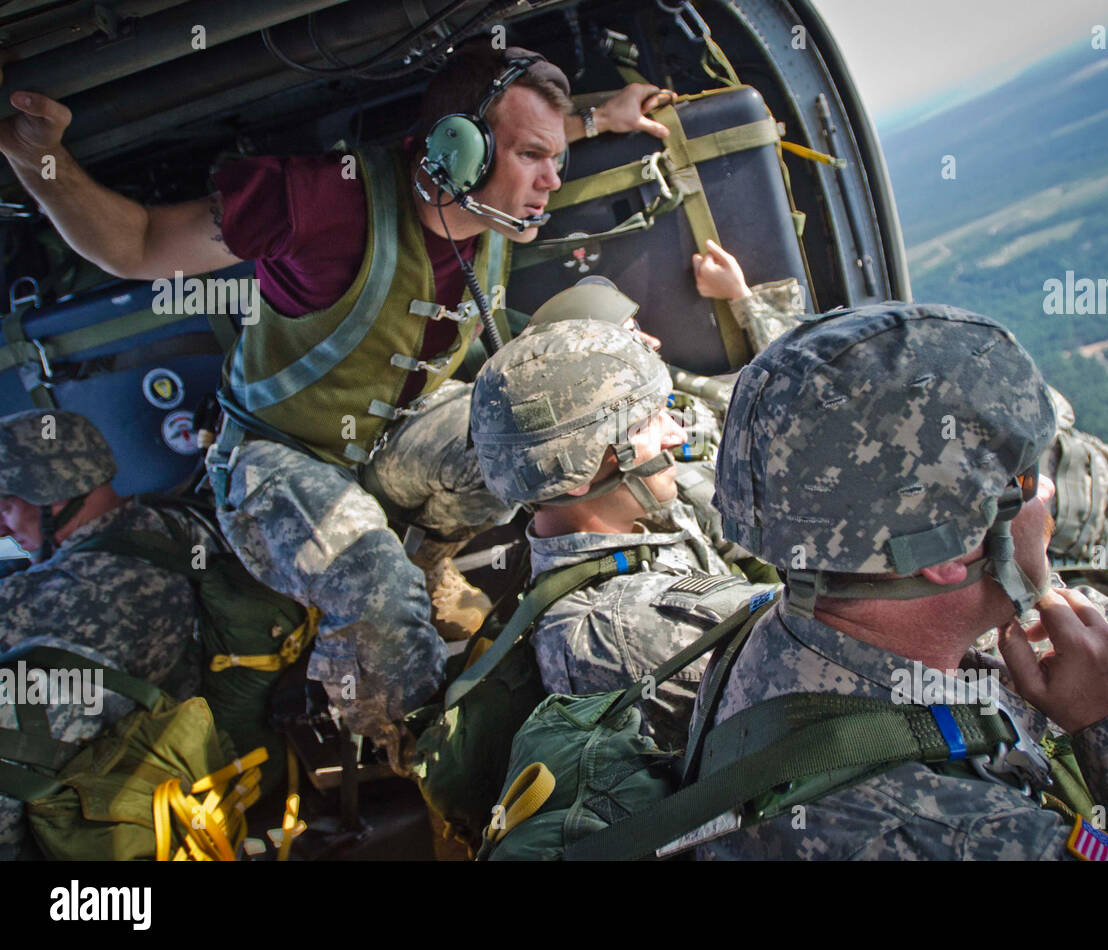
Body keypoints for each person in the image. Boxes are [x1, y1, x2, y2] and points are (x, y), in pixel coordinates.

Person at [0, 39, 676, 755]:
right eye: (533, 158)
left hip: (389, 439)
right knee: (383, 597)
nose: (551, 180)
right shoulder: (328, 200)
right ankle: (404, 749)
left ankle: (431, 562)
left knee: (526, 438)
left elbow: (531, 142)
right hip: (273, 456)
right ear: (458, 152)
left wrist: (602, 118)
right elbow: (135, 244)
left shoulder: (489, 206)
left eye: (555, 159)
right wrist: (36, 159)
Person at [693, 302, 1108, 860]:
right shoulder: (939, 831)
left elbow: (1092, 629)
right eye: (1028, 479)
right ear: (948, 549)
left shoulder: (833, 613)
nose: (1053, 491)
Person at [470, 290, 776, 752]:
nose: (676, 432)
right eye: (650, 421)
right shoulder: (620, 629)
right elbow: (839, 657)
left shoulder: (635, 508)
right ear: (580, 472)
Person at [0, 409, 201, 859]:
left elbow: (34, 600)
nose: (1, 527)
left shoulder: (66, 596)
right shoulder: (155, 525)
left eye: (7, 506)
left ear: (53, 496)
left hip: (90, 788)